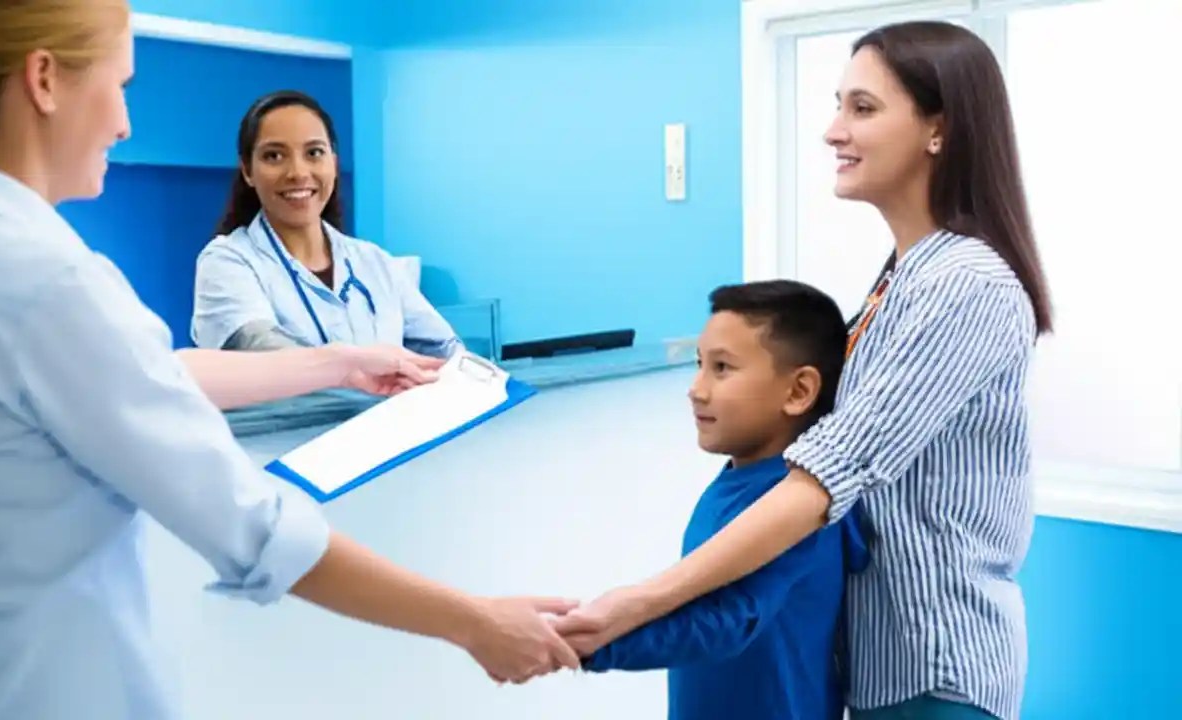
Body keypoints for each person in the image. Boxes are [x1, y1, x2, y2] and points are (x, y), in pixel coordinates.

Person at [0, 3, 576, 719]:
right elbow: (254, 530)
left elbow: (161, 372)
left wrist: (341, 361)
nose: (124, 122)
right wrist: (475, 622)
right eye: (121, 83)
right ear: (43, 79)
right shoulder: (53, 287)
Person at [555, 21, 1051, 720]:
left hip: (936, 667)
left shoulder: (966, 284)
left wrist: (640, 602)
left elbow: (828, 475)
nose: (833, 130)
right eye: (838, 104)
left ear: (939, 129)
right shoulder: (900, 281)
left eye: (863, 108)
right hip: (885, 667)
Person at [579, 280, 869, 720]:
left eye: (722, 368)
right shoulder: (737, 480)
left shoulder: (798, 512)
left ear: (798, 392)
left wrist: (589, 642)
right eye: (699, 364)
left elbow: (727, 623)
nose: (697, 388)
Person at [192, 90, 461, 357]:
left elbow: (447, 353)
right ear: (248, 171)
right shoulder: (227, 262)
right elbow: (261, 352)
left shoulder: (375, 262)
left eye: (314, 152)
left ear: (333, 163)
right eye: (274, 156)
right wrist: (372, 375)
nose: (297, 172)